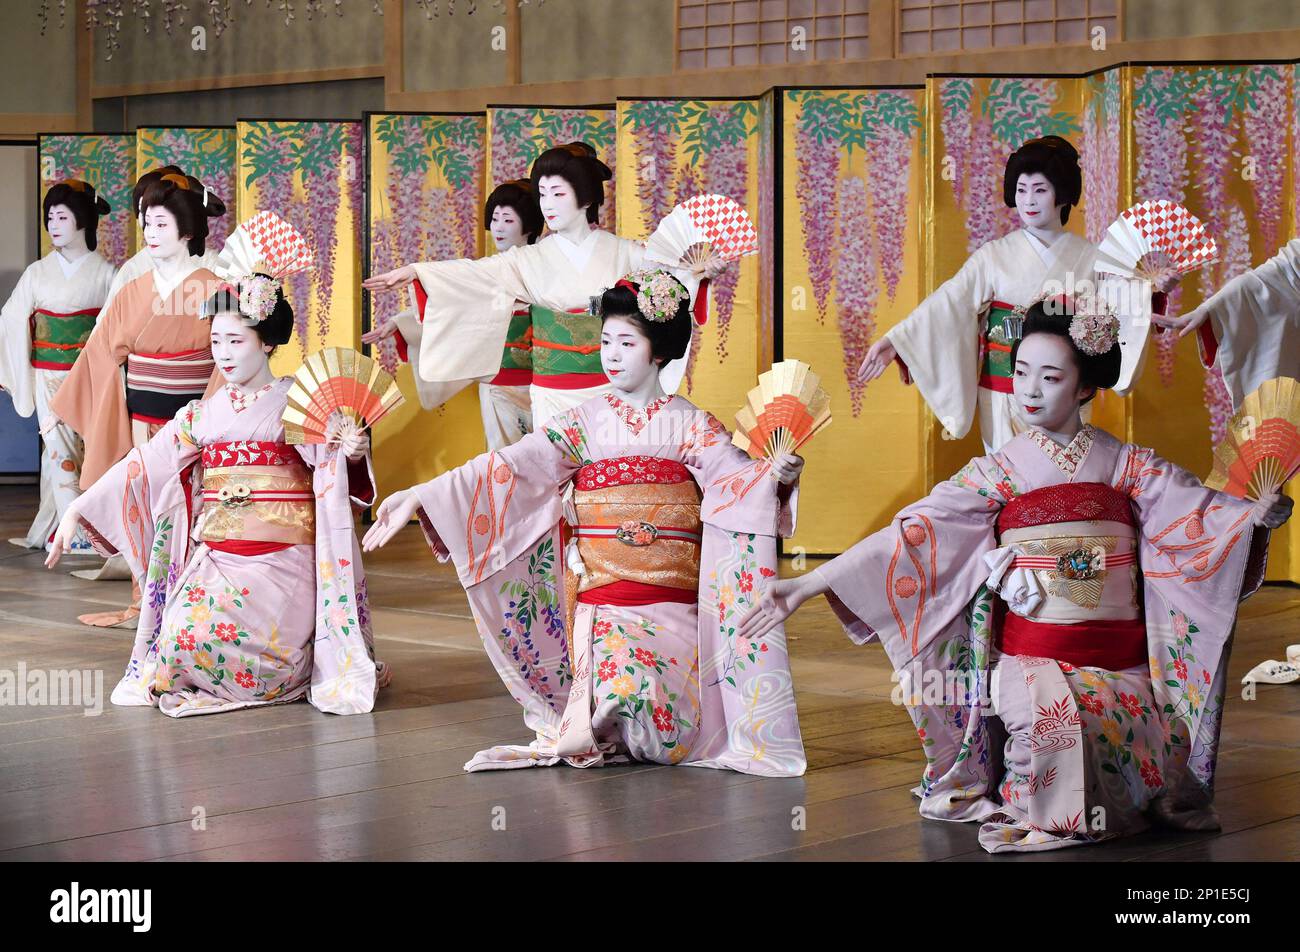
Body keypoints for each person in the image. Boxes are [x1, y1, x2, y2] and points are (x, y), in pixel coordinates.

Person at [741, 293, 1291, 851]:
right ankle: (1043, 800)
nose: (1028, 389)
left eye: (1049, 377)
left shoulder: (1129, 466)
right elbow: (910, 535)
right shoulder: (997, 473)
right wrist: (809, 583)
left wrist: (1254, 518)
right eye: (1020, 372)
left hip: (1118, 663)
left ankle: (1077, 804)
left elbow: (1199, 515)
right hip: (1031, 659)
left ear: (1084, 387)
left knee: (1127, 739)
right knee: (1053, 726)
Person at [363, 269, 807, 775]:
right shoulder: (584, 422)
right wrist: (423, 493)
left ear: (658, 350)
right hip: (605, 601)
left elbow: (737, 483)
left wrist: (778, 477)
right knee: (621, 700)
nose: (611, 354)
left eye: (627, 342)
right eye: (606, 342)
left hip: (675, 601)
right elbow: (513, 464)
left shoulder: (692, 424)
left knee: (667, 729)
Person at [47, 254, 389, 717]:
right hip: (219, 558)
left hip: (283, 562)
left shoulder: (300, 406)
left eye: (235, 341)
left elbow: (331, 470)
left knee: (262, 668)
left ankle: (300, 657)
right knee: (177, 645)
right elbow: (142, 464)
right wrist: (77, 510)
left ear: (266, 343)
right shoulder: (200, 415)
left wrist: (349, 452)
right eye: (215, 342)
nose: (223, 354)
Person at [856, 136, 1174, 452]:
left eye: (1040, 190)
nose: (1029, 201)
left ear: (1061, 195)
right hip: (1003, 390)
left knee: (1062, 475)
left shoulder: (1091, 256)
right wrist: (897, 341)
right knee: (1009, 477)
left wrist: (1153, 289)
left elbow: (1123, 298)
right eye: (1021, 190)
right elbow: (950, 301)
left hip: (1065, 388)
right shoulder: (994, 255)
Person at [363, 143, 700, 427]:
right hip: (552, 390)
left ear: (584, 198)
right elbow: (477, 273)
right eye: (542, 194)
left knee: (604, 478)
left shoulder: (625, 252)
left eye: (558, 193)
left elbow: (670, 283)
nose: (547, 204)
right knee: (552, 481)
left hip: (611, 386)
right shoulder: (529, 259)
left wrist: (698, 272)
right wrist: (419, 272)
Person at [367, 178, 544, 448]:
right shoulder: (483, 271)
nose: (498, 227)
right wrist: (401, 322)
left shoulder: (544, 266)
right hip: (498, 385)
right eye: (495, 219)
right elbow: (450, 306)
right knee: (503, 461)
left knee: (548, 459)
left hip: (544, 385)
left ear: (529, 224)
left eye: (508, 220)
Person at [0, 179, 115, 551]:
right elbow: (12, 317)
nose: (53, 225)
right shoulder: (37, 272)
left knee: (86, 452)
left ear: (82, 220)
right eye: (50, 217)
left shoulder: (106, 273)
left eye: (62, 217)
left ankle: (67, 528)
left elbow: (113, 325)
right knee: (59, 452)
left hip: (90, 375)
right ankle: (76, 533)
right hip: (47, 375)